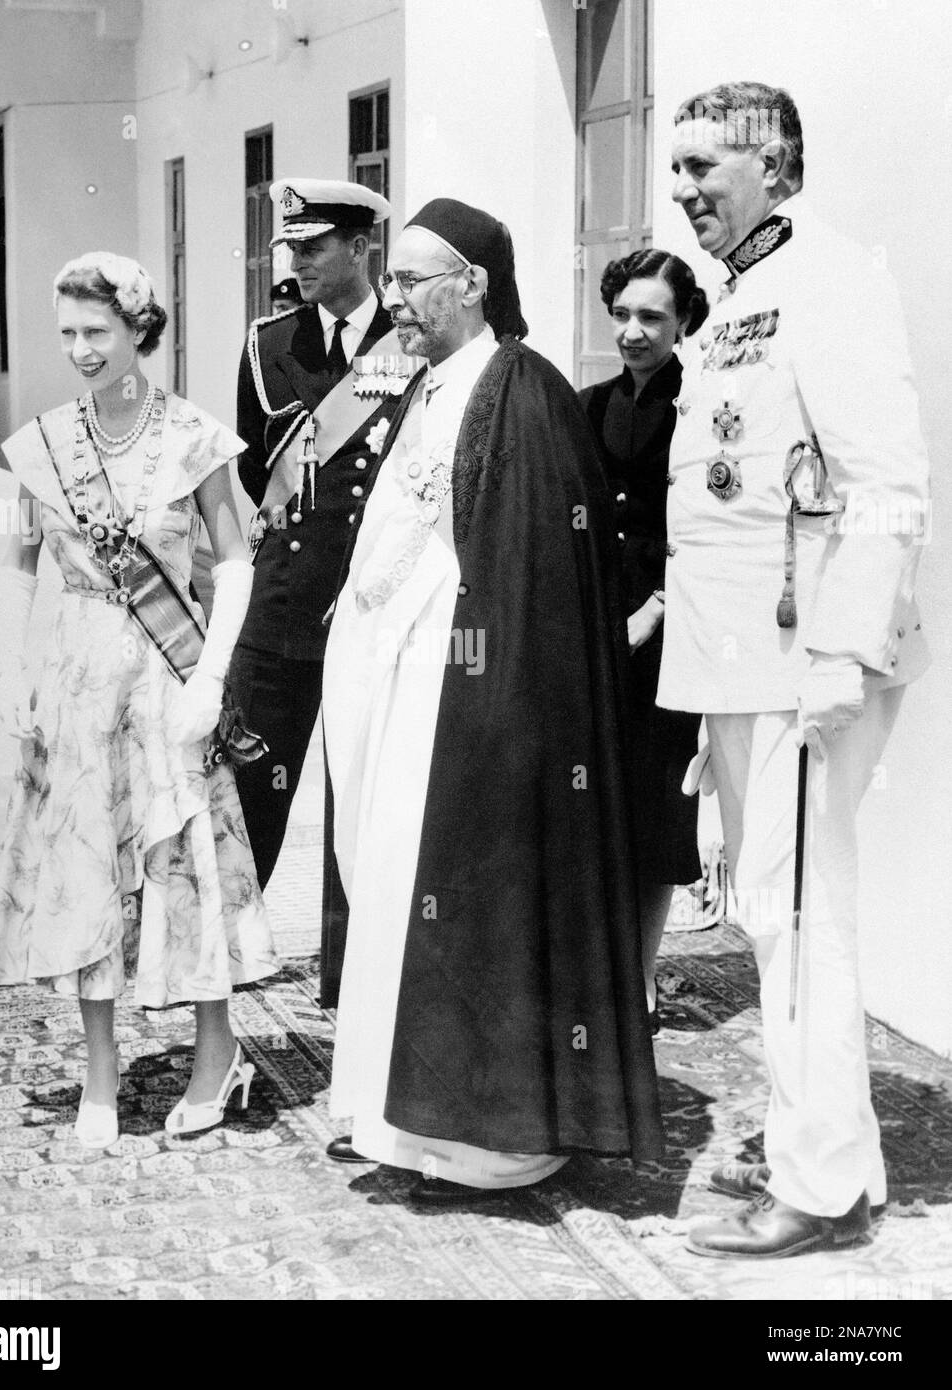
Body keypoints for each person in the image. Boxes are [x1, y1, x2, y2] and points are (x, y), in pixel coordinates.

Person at [322, 197, 664, 1205]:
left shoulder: (519, 390)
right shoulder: (432, 388)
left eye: (411, 280)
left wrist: (489, 711)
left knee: (477, 909)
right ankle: (407, 1121)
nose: (393, 299)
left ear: (470, 283)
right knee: (392, 893)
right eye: (388, 280)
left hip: (481, 712)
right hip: (414, 699)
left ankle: (491, 1142)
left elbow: (529, 586)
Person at [661, 83, 930, 1257]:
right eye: (673, 170)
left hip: (802, 666)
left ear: (771, 170)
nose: (681, 191)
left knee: (797, 921)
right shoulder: (737, 302)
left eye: (701, 170)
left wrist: (836, 652)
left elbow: (884, 484)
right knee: (780, 920)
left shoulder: (825, 281)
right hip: (739, 667)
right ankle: (835, 1167)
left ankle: (818, 1193)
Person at [0, 252, 277, 1150]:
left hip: (164, 684)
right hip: (76, 684)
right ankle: (99, 1077)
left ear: (140, 331)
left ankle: (215, 1055)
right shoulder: (44, 445)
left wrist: (213, 679)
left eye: (96, 332)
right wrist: (11, 671)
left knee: (186, 866)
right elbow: (17, 566)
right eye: (67, 333)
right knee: (82, 876)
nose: (79, 349)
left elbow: (233, 562)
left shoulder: (194, 437)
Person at [229, 178, 412, 1006]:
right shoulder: (267, 343)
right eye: (290, 249)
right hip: (284, 601)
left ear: (361, 248)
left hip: (375, 599)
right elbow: (248, 464)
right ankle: (227, 960)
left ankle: (351, 977)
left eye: (312, 247)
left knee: (363, 793)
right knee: (248, 786)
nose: (296, 262)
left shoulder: (409, 341)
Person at [578, 250, 709, 1031]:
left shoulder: (704, 405)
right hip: (598, 634)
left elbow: (707, 531)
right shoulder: (586, 406)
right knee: (594, 798)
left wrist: (652, 612)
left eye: (651, 317)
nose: (632, 331)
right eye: (622, 314)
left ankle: (638, 976)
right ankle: (595, 965)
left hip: (672, 636)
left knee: (656, 804)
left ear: (682, 323)